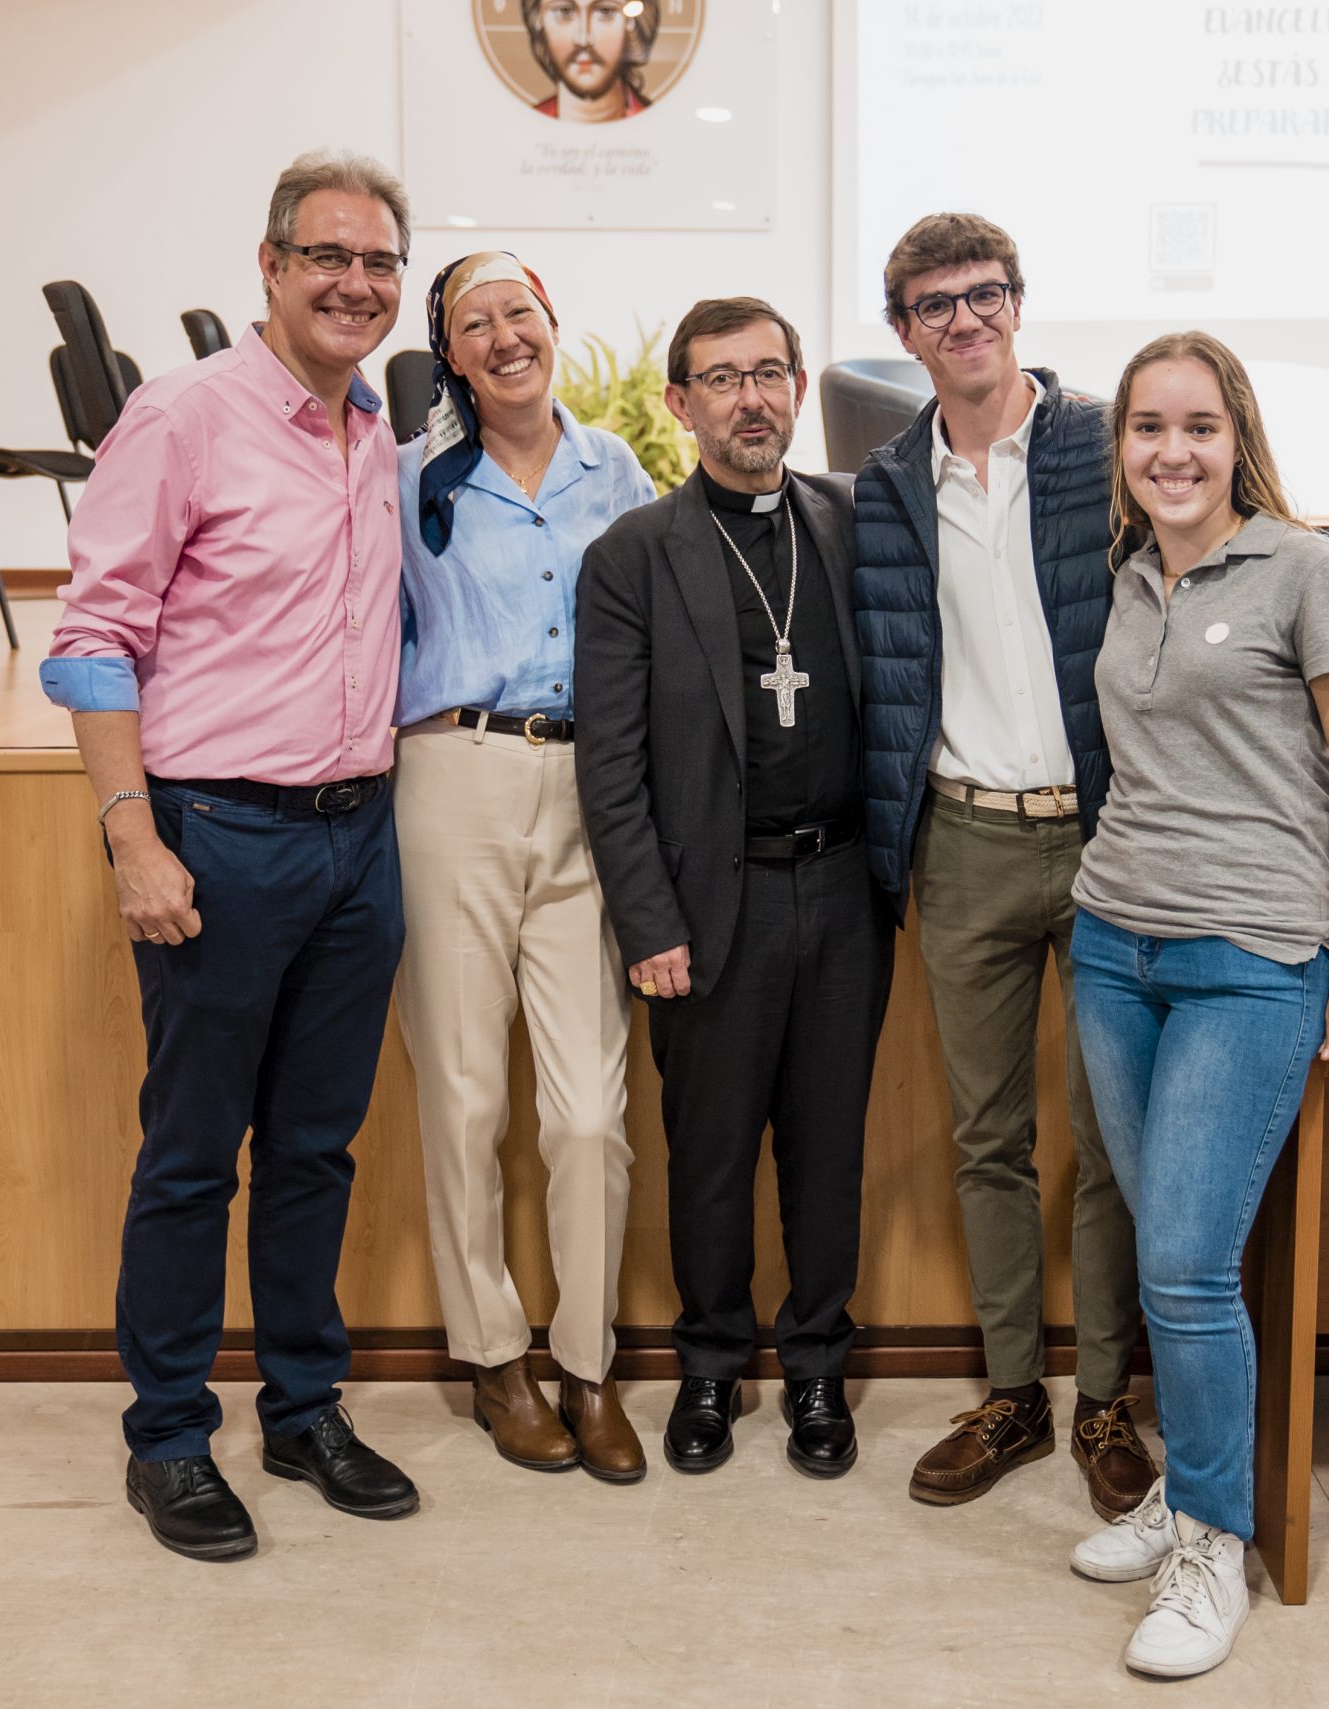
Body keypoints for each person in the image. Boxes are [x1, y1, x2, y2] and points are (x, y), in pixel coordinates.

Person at [39, 151, 419, 1561]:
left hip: (355, 841)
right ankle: (170, 1436)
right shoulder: (183, 415)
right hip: (216, 835)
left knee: (318, 1149)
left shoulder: (375, 429)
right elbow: (92, 638)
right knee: (195, 1154)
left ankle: (305, 1408)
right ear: (269, 265)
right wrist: (131, 834)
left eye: (379, 263)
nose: (355, 283)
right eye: (329, 255)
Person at [1065, 331, 1329, 1681]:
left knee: (1192, 1267)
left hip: (1252, 955)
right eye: (1148, 427)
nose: (1171, 451)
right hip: (1113, 945)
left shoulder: (1309, 570)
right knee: (1168, 1254)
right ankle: (1189, 1489)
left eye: (1197, 425)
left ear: (1237, 435)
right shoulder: (1131, 572)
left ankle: (1217, 1540)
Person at [851, 212, 1154, 1519]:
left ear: (1018, 305)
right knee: (991, 1139)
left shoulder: (1104, 443)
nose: (963, 320)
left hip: (1107, 833)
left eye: (984, 296)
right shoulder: (883, 482)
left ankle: (1104, 1406)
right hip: (965, 835)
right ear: (904, 332)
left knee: (1106, 1134)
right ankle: (1015, 1394)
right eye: (934, 305)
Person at [575, 296, 890, 1480]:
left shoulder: (858, 523)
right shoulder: (634, 556)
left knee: (827, 1145)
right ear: (680, 402)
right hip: (716, 898)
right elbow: (608, 763)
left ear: (799, 387)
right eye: (720, 378)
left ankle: (815, 1365)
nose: (748, 398)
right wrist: (647, 919)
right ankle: (711, 1361)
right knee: (706, 1149)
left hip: (846, 882)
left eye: (768, 373)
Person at [394, 252, 657, 1483]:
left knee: (589, 1113)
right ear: (447, 353)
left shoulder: (619, 469)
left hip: (592, 789)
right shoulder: (406, 483)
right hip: (451, 777)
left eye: (521, 313)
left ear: (553, 325)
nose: (502, 336)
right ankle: (494, 1354)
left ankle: (588, 1359)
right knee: (461, 1094)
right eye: (472, 322)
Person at [524, 0, 657, 123]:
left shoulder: (660, 125)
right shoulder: (523, 127)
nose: (583, 39)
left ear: (631, 22)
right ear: (538, 19)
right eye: (564, 10)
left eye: (605, 11)